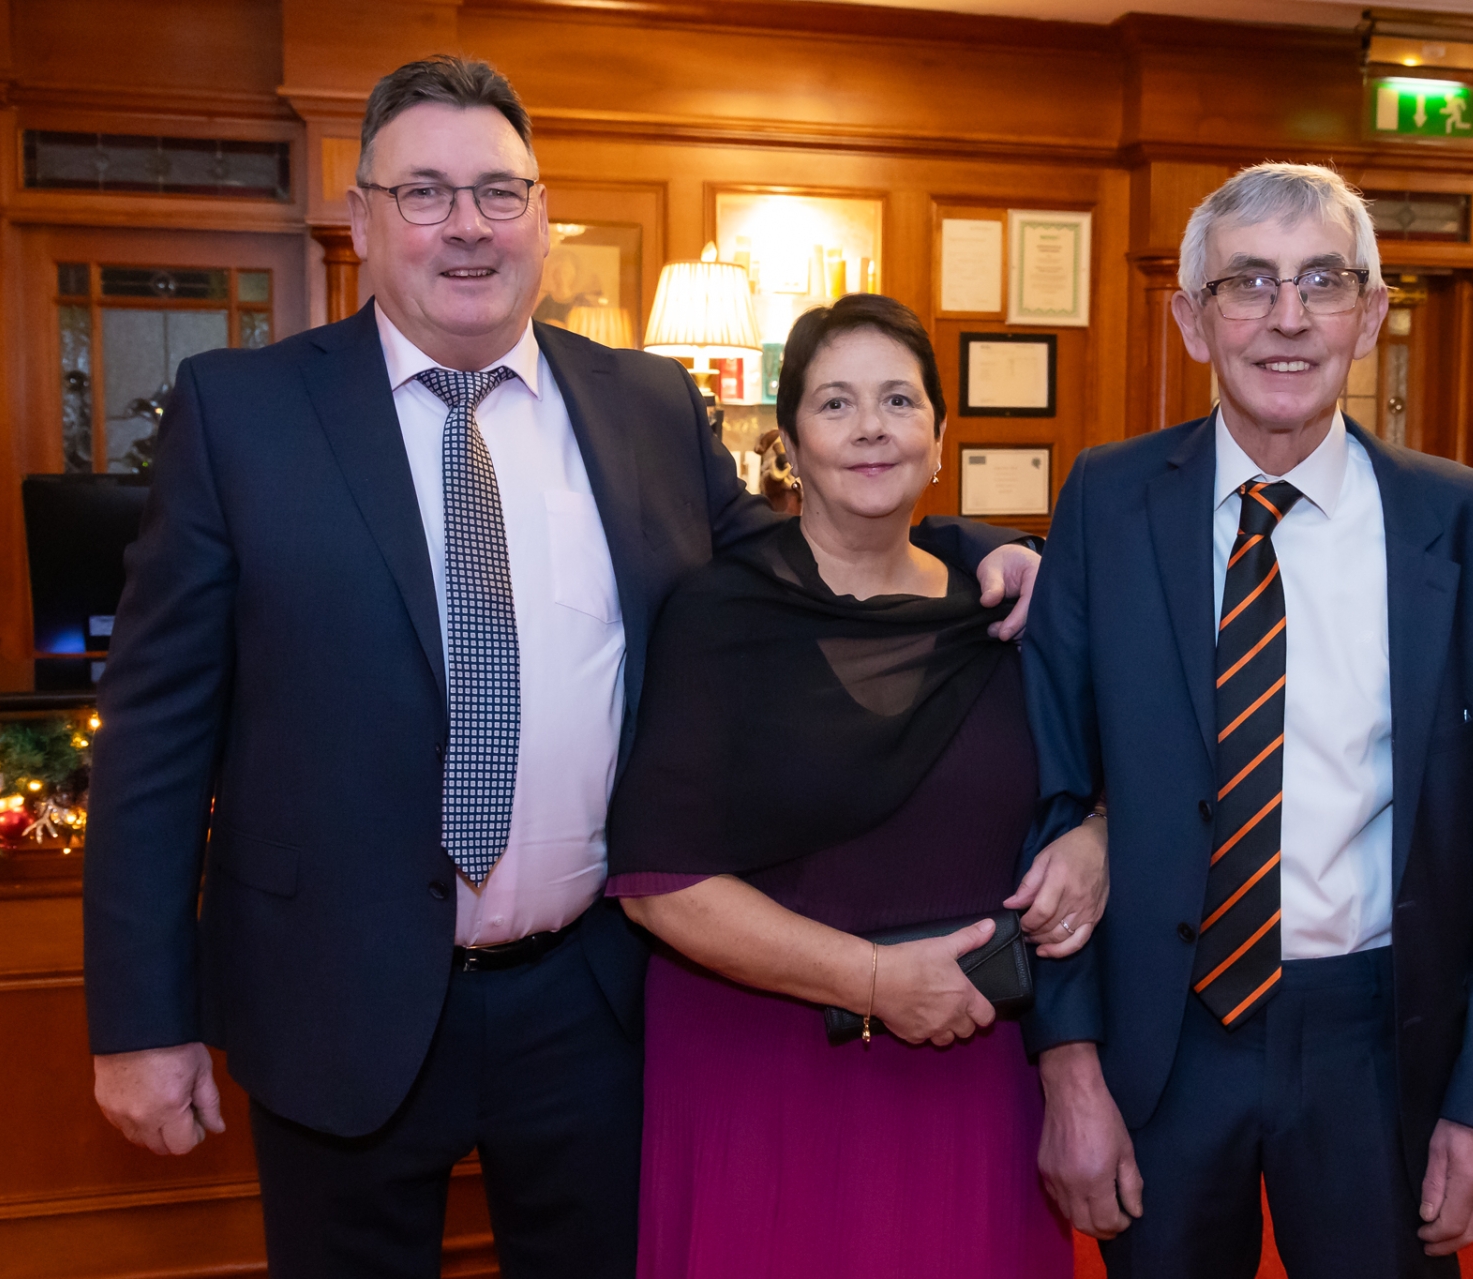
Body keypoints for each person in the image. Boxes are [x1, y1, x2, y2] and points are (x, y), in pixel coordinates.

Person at [80, 57, 1040, 1279]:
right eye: (424, 192)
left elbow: (796, 561)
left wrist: (974, 544)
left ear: (543, 217)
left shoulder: (645, 403)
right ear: (362, 218)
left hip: (590, 999)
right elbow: (155, 739)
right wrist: (142, 1020)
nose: (467, 225)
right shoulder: (242, 414)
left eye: (499, 191)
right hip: (336, 994)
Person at [1022, 163, 1473, 1278]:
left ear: (1370, 315)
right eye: (1248, 282)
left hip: (1376, 1039)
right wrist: (1069, 1066)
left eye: (1323, 280)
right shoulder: (1105, 505)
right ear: (1192, 321)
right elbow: (1050, 791)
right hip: (1163, 1038)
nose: (1287, 316)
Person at [606, 293, 1092, 1279]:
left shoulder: (1008, 613)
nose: (872, 426)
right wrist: (873, 981)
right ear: (789, 445)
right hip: (761, 1065)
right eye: (835, 403)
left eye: (898, 400)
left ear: (939, 437)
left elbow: (1103, 776)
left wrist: (1100, 835)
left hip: (972, 1063)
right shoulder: (719, 617)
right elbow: (658, 884)